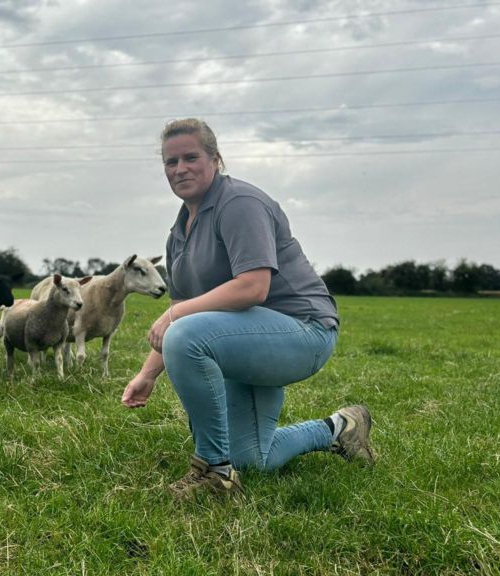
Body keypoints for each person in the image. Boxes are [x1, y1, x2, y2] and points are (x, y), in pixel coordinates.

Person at [121, 118, 374, 499]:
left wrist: (174, 316)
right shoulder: (178, 234)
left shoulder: (239, 203)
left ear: (215, 159)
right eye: (171, 162)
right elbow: (182, 309)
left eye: (191, 157)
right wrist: (147, 375)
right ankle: (339, 428)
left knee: (185, 332)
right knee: (253, 458)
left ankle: (214, 473)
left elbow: (253, 287)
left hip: (303, 331)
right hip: (241, 340)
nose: (180, 169)